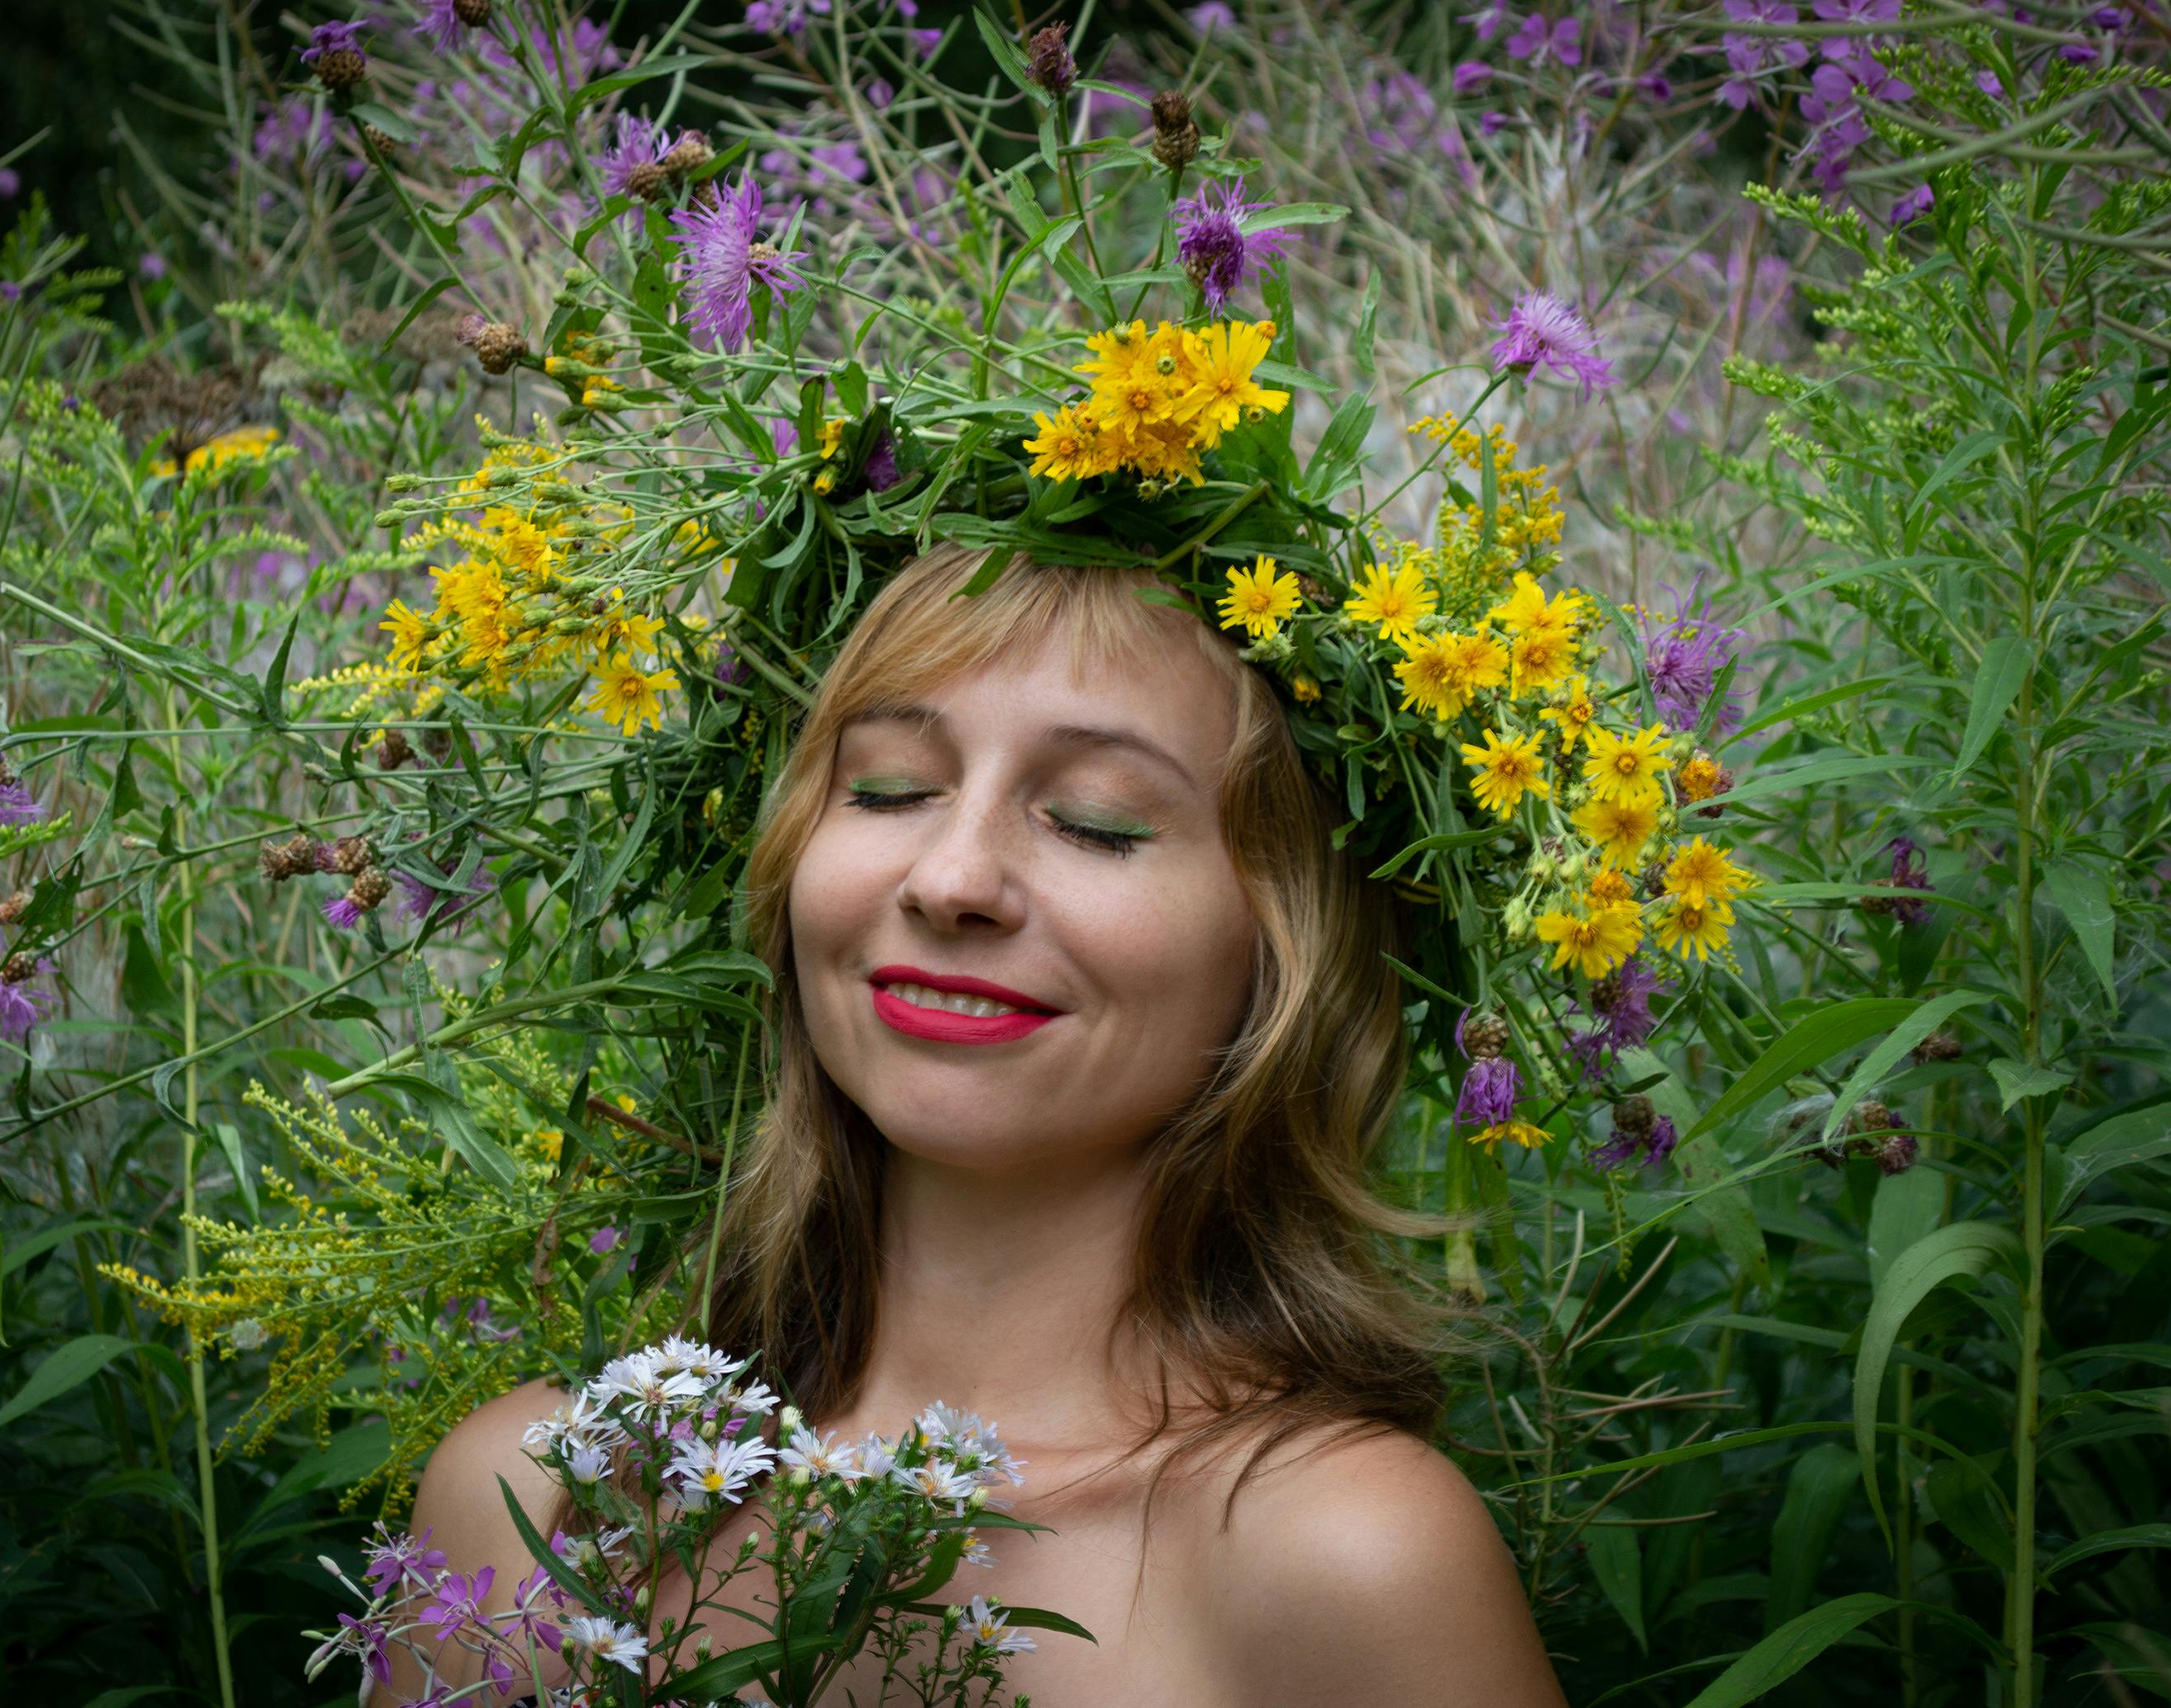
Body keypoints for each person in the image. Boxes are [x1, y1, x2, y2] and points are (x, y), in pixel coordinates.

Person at [387, 541, 1568, 1705]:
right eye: (892, 786)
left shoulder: (1351, 1559)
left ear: (1285, 945)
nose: (952, 876)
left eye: (1097, 821)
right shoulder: (533, 1504)